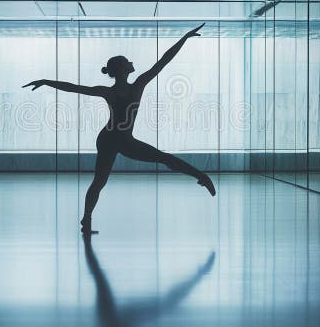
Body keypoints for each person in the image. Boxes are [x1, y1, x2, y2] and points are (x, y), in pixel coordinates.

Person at [23, 23, 216, 235]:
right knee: (161, 159)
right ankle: (201, 176)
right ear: (123, 69)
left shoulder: (114, 90)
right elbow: (162, 62)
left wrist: (185, 38)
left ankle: (87, 219)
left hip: (109, 139)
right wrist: (184, 38)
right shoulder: (136, 85)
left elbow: (75, 88)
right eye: (127, 61)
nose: (132, 62)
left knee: (100, 181)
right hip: (119, 140)